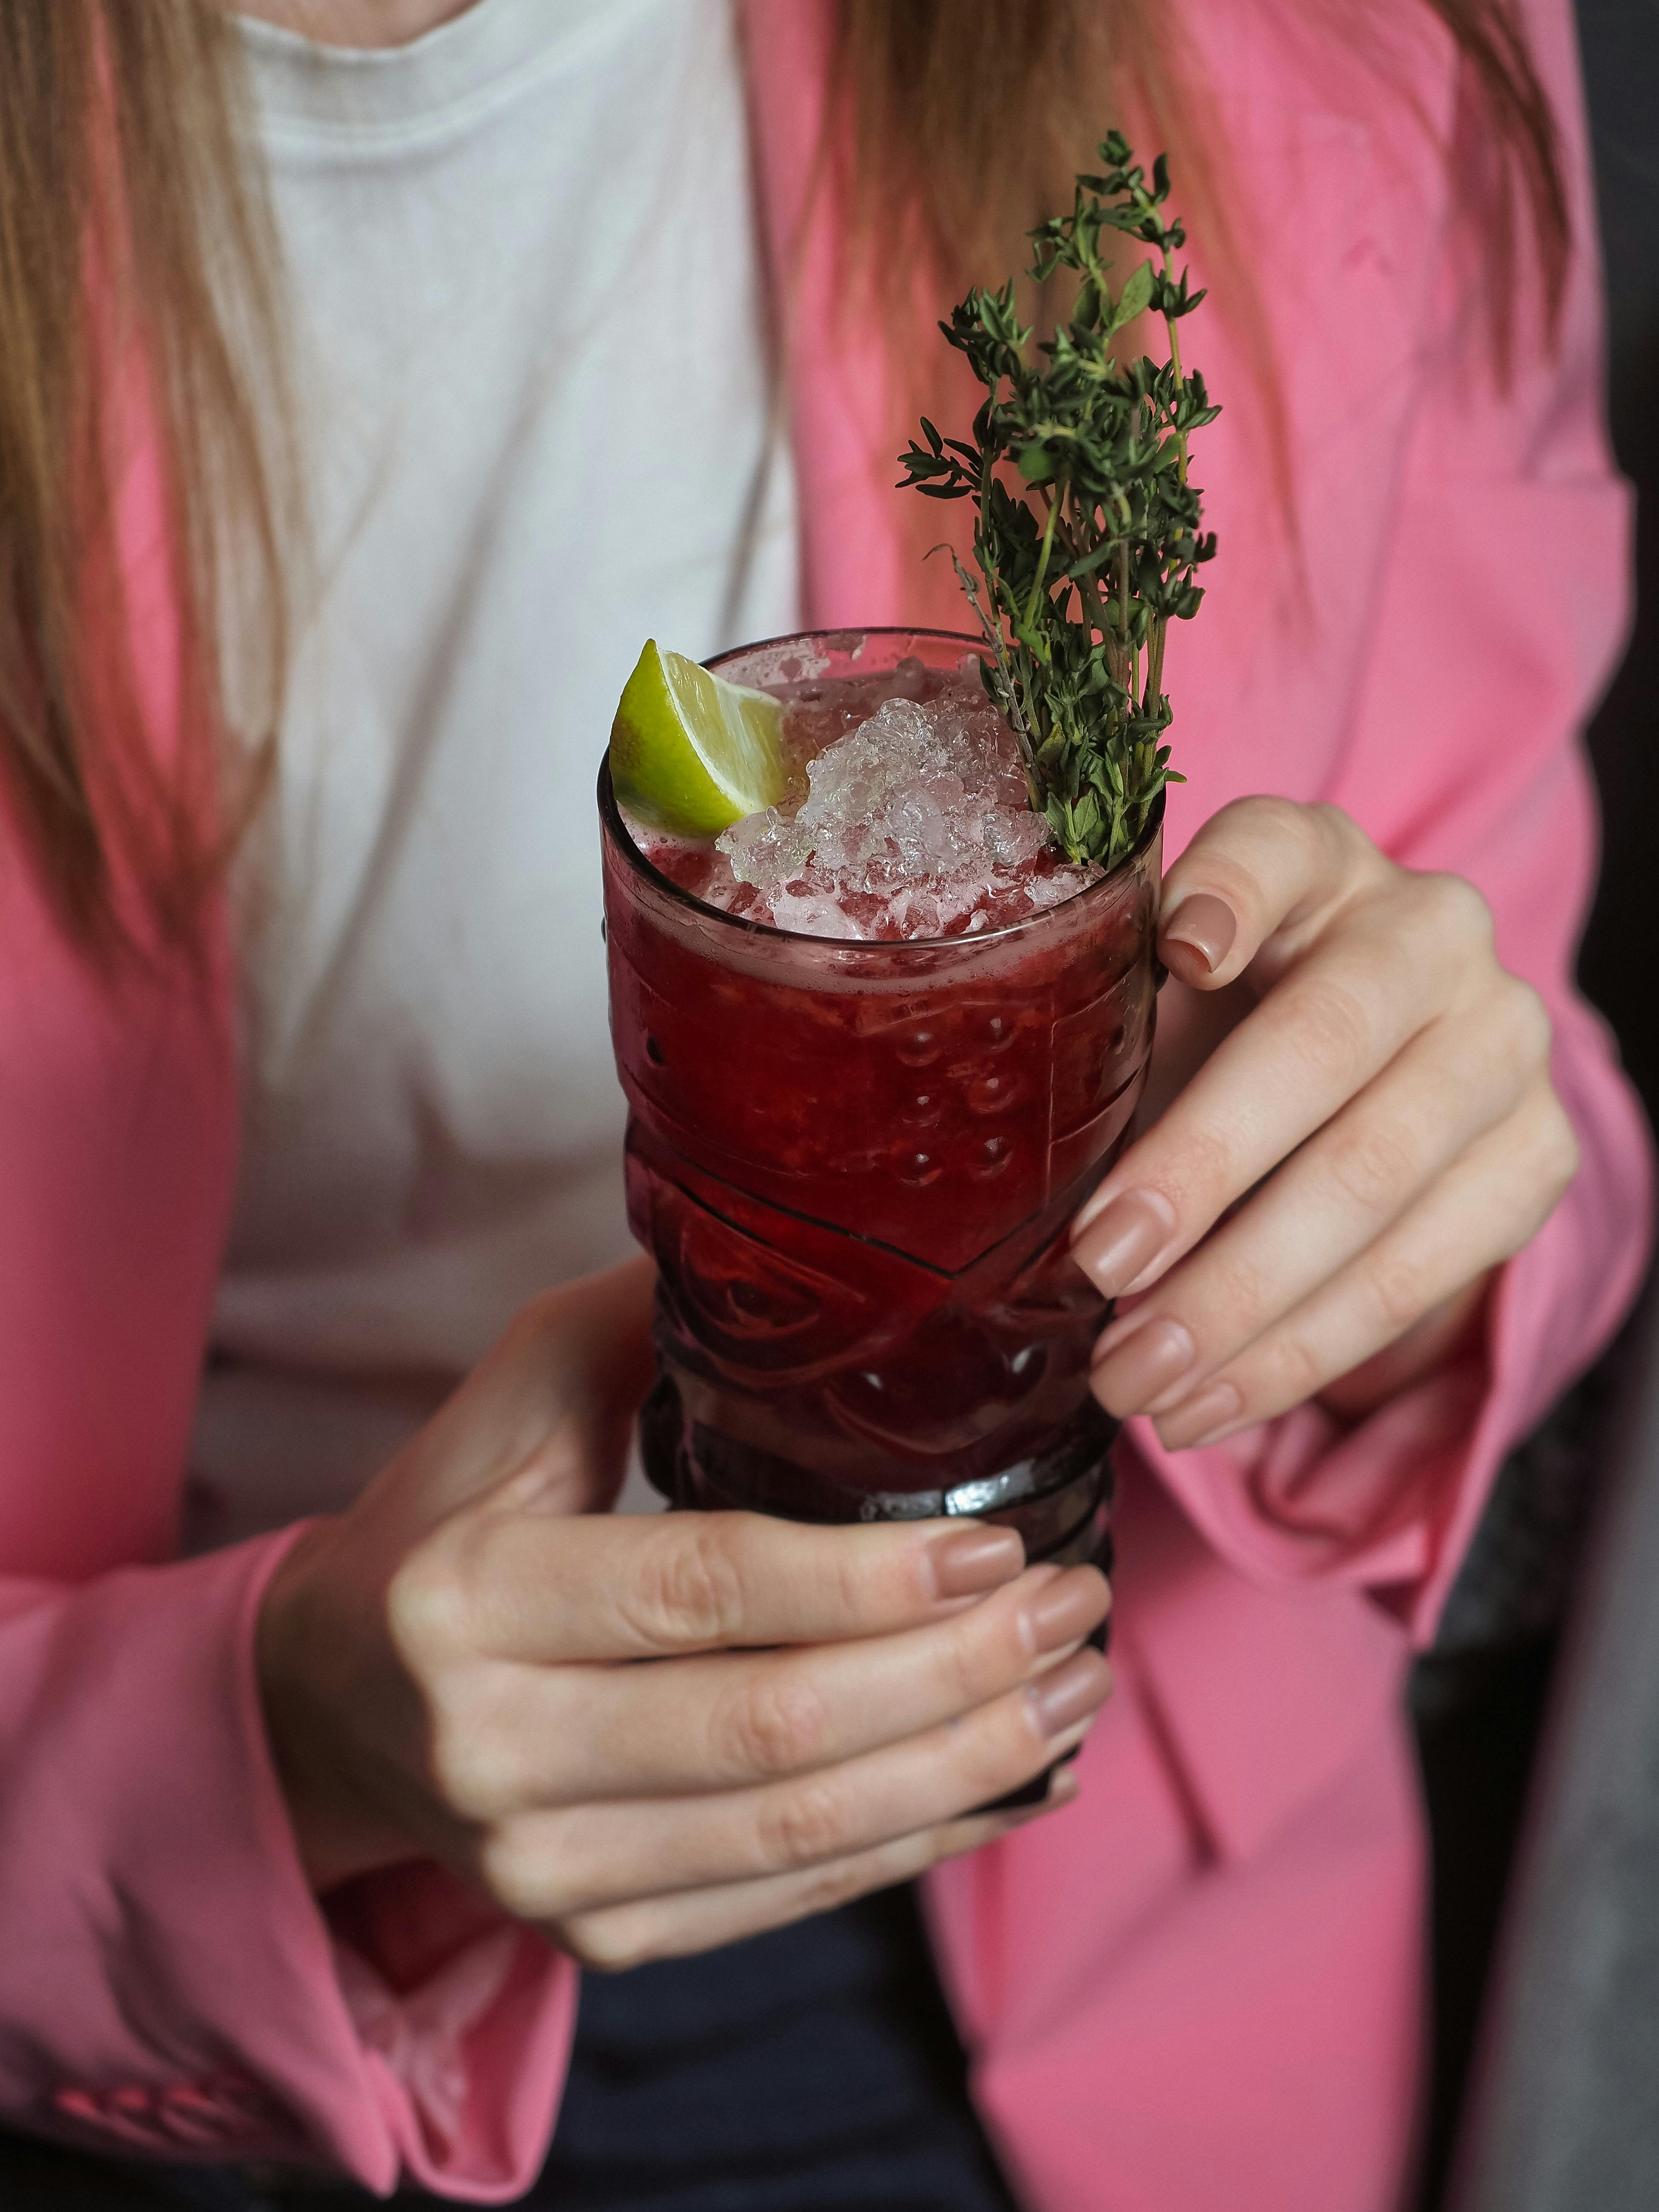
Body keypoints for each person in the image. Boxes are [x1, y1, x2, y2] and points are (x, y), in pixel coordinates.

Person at [0, 2, 1648, 2209]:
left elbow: (1558, 1122)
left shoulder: (1329, 35)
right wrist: (263, 1746)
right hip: (216, 1999)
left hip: (1113, 1939)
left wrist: (1405, 1210)